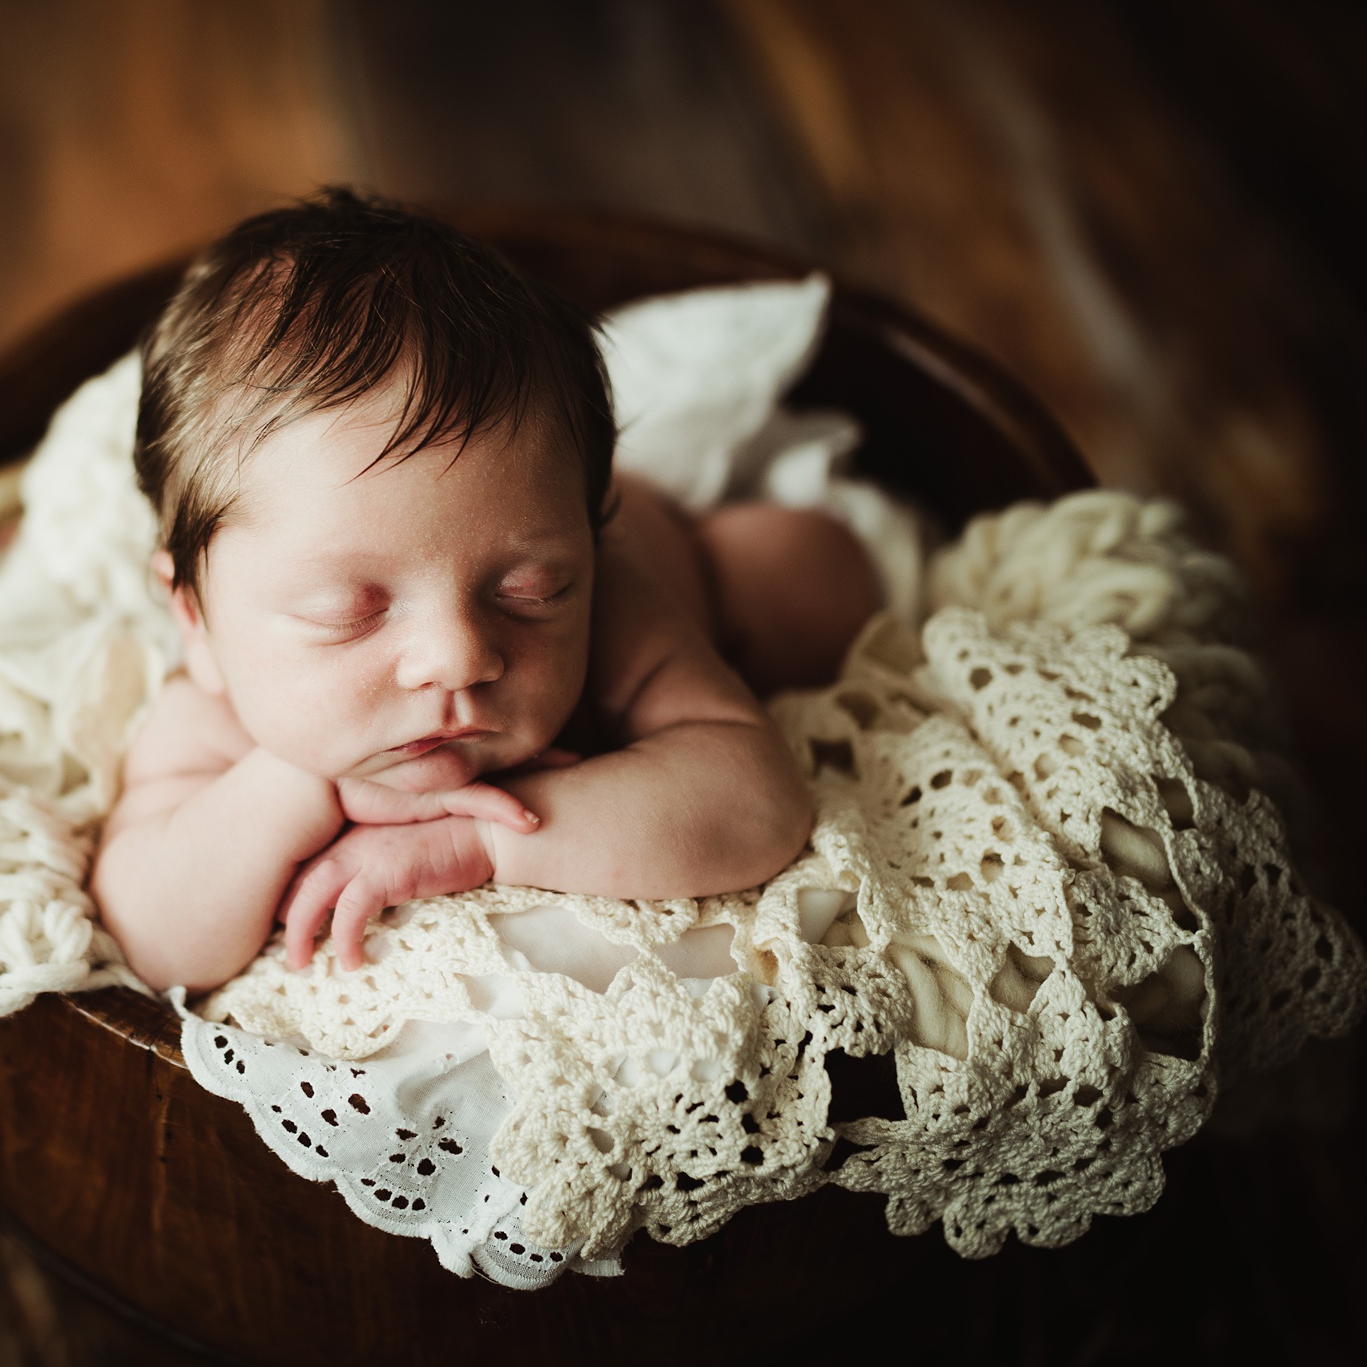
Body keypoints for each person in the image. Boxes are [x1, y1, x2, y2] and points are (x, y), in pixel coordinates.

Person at [91, 189, 875, 991]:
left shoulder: (614, 607)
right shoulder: (206, 718)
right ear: (195, 619)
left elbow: (758, 802)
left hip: (675, 543)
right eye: (348, 611)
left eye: (532, 591)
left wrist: (484, 839)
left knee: (817, 576)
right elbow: (149, 933)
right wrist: (303, 784)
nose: (459, 655)